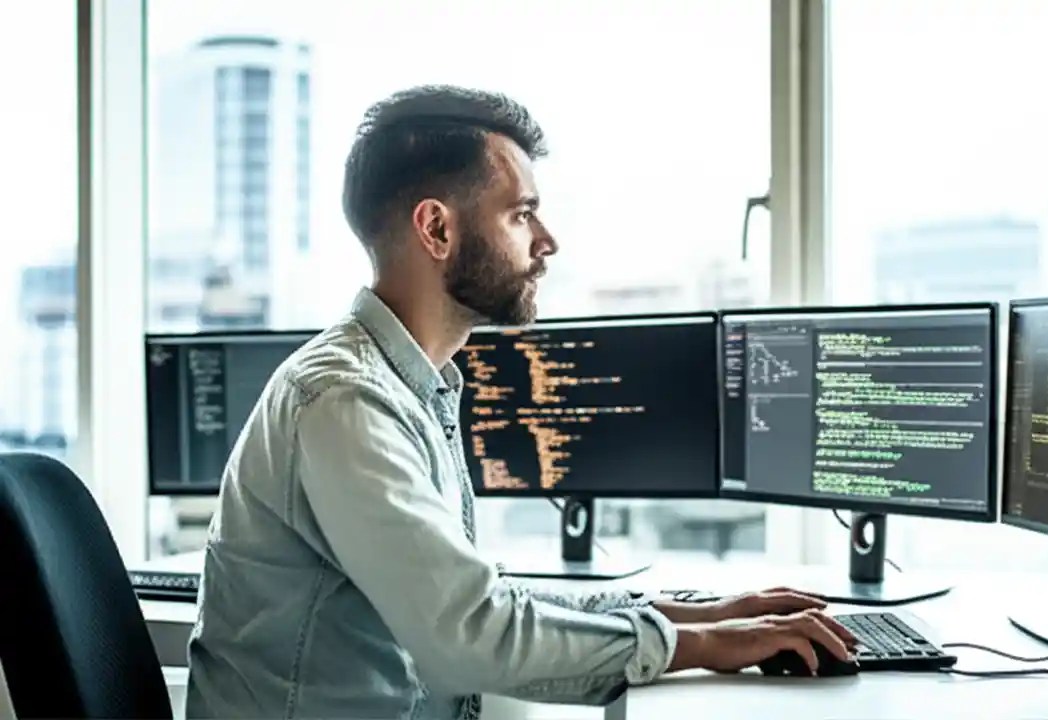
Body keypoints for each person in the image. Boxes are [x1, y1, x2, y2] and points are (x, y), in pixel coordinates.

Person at [185, 84, 857, 719]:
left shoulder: (410, 387)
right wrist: (702, 648)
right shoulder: (346, 401)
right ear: (437, 229)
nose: (547, 242)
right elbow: (472, 632)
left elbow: (477, 598)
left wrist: (695, 614)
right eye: (522, 214)